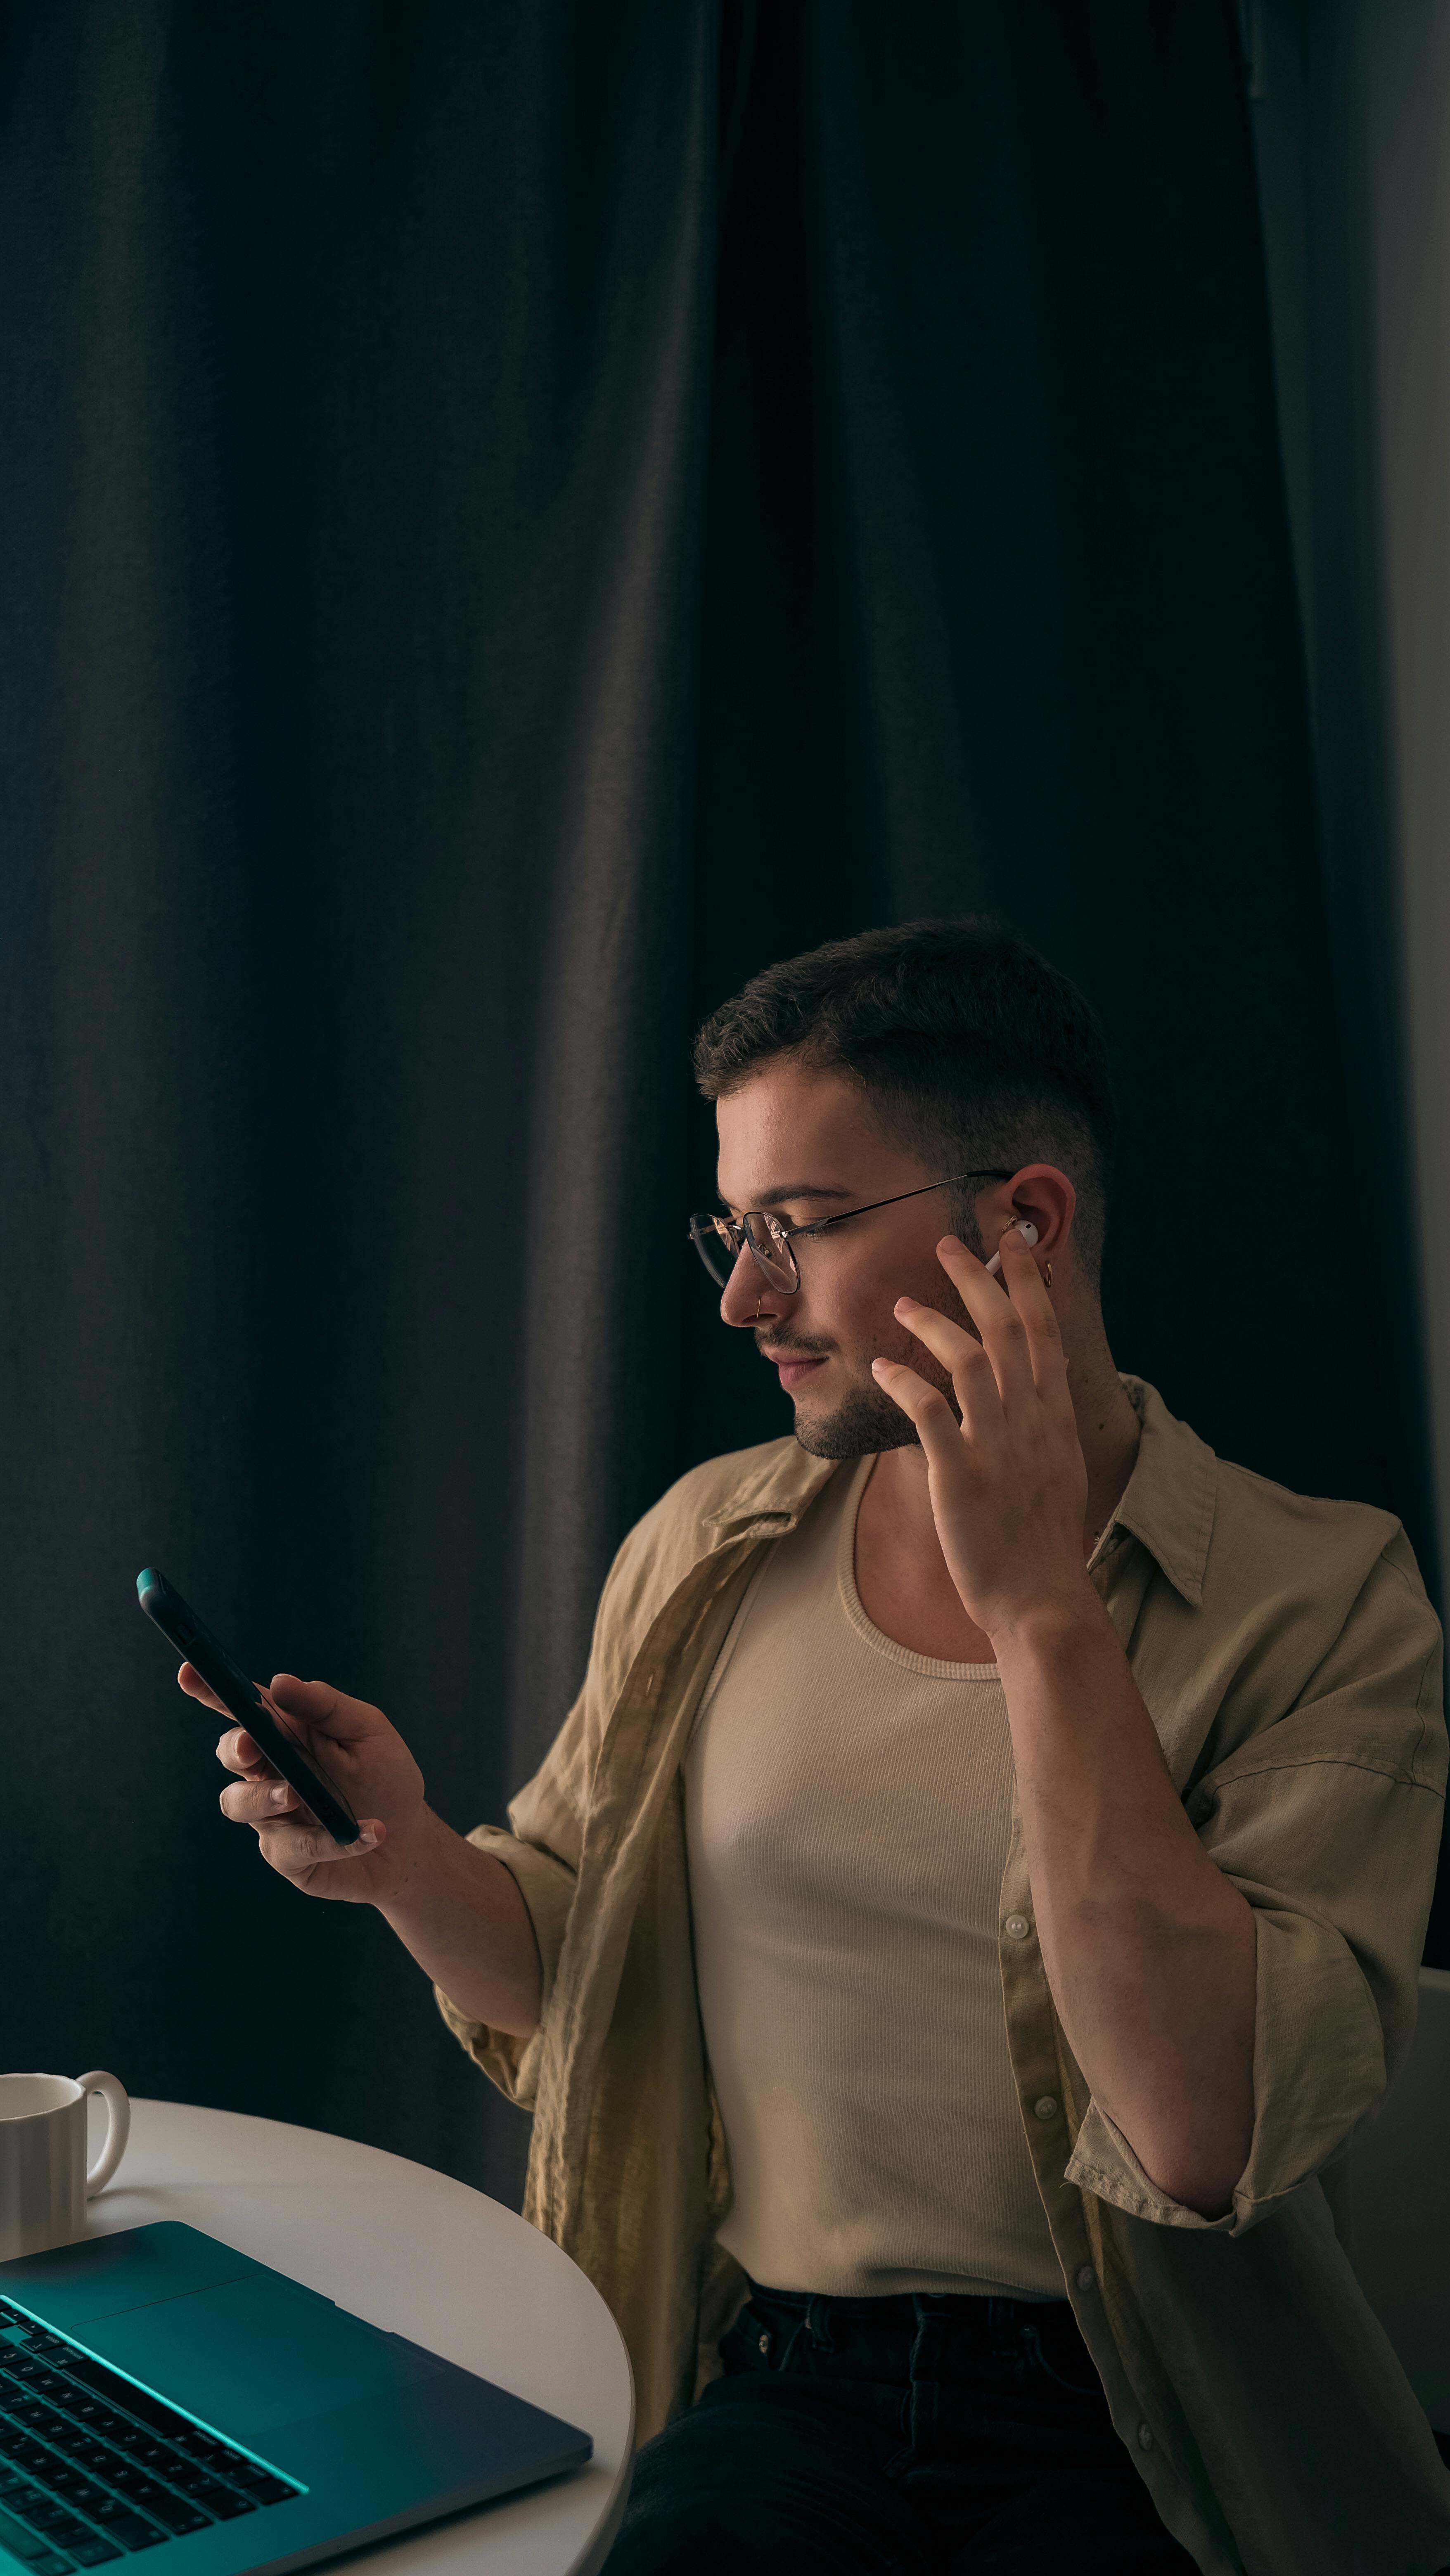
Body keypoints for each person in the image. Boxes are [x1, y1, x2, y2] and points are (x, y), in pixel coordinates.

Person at [184, 920, 1450, 2575]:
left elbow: (1199, 2132)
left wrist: (1042, 1617)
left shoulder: (1321, 1598)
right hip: (783, 2397)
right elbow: (575, 1985)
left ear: (1025, 1223)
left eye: (795, 1227)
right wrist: (407, 1859)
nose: (741, 1295)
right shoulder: (708, 1545)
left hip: (1147, 2427)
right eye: (732, 1227)